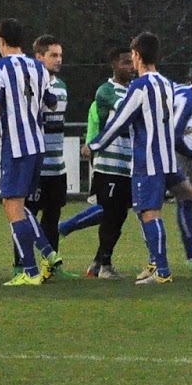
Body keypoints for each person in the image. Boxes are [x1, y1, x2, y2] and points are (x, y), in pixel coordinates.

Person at [89, 32, 192, 284]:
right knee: (183, 196)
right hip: (167, 158)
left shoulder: (140, 86)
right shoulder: (166, 83)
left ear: (136, 55)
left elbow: (120, 122)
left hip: (147, 160)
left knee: (149, 213)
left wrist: (95, 144)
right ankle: (179, 256)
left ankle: (162, 270)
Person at [0, 18, 62, 286]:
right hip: (37, 145)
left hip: (17, 146)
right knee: (17, 205)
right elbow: (51, 102)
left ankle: (31, 271)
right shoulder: (38, 67)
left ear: (0, 40)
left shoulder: (0, 67)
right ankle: (49, 253)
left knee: (12, 206)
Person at [58, 46, 135, 279]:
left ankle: (97, 263)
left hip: (128, 164)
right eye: (125, 62)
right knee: (110, 213)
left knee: (119, 215)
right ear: (114, 65)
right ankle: (105, 265)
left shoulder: (134, 88)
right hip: (108, 163)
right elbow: (125, 111)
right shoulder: (106, 91)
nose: (131, 67)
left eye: (132, 62)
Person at [31, 34, 70, 250]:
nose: (59, 60)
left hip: (57, 167)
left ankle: (52, 262)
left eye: (60, 55)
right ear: (39, 57)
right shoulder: (30, 87)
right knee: (28, 214)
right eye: (53, 55)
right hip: (37, 166)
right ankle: (22, 263)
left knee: (52, 217)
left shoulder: (62, 86)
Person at [165, 80, 192, 271]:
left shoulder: (182, 92)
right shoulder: (189, 99)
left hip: (166, 153)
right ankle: (157, 263)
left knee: (187, 195)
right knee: (119, 207)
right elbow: (175, 137)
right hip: (159, 155)